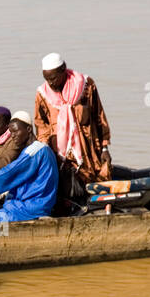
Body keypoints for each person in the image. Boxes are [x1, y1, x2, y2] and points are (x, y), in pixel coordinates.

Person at [34, 53, 112, 202]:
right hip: (61, 155)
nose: (50, 83)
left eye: (53, 78)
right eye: (47, 79)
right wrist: (47, 151)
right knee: (66, 192)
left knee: (98, 185)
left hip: (89, 151)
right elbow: (40, 126)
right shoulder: (42, 94)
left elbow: (99, 116)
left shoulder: (86, 85)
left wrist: (104, 148)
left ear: (63, 69)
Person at [0, 111, 58, 224]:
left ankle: (1, 236)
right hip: (33, 203)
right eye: (11, 132)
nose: (12, 136)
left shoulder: (34, 152)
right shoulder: (39, 149)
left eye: (16, 131)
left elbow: (9, 173)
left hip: (30, 207)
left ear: (28, 129)